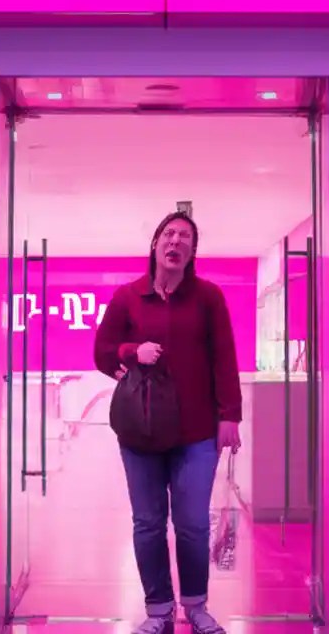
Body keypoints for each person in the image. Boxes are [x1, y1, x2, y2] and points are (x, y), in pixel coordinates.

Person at [94, 211, 243, 634]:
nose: (175, 242)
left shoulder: (208, 297)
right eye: (169, 234)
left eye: (185, 237)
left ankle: (195, 605)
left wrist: (229, 414)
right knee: (148, 522)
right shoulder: (128, 297)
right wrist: (130, 351)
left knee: (194, 522)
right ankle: (159, 609)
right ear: (156, 244)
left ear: (192, 251)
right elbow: (102, 351)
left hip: (197, 432)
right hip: (140, 432)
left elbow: (224, 358)